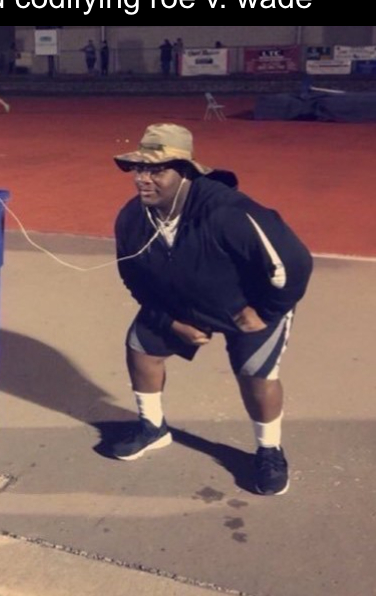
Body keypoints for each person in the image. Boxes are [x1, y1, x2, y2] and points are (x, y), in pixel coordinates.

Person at [111, 123, 313, 496]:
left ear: (185, 172)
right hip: (184, 302)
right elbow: (133, 277)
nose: (142, 179)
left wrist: (266, 311)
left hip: (246, 305)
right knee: (140, 347)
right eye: (138, 168)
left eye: (156, 170)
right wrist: (170, 321)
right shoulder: (133, 218)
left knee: (256, 372)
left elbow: (294, 264)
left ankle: (269, 451)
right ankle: (152, 428)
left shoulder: (229, 212)